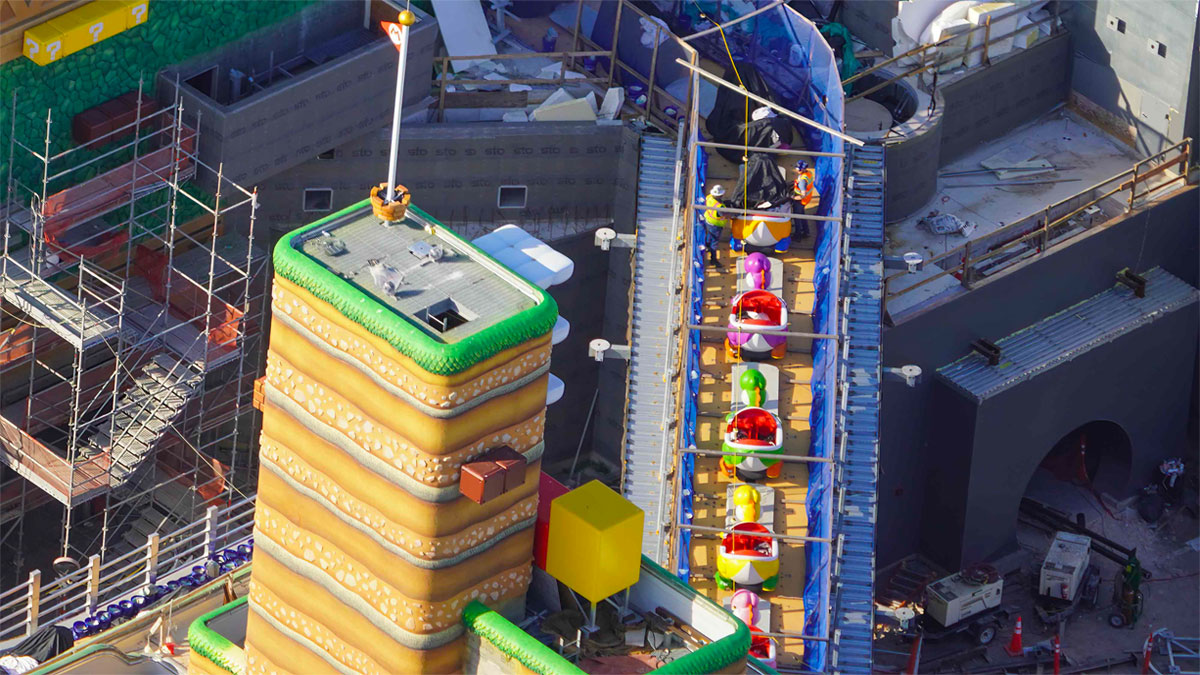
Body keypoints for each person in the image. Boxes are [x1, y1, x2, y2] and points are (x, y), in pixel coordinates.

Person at [703, 184, 730, 269]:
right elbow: (725, 215)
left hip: (708, 221)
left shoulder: (709, 197)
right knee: (714, 243)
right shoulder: (719, 207)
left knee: (709, 236)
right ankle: (713, 260)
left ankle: (707, 246)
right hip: (716, 225)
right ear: (721, 195)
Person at [792, 160, 818, 240]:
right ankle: (806, 232)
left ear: (803, 169)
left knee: (797, 218)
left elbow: (803, 195)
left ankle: (798, 235)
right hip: (806, 200)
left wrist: (793, 198)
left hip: (800, 201)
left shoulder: (803, 181)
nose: (797, 170)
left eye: (799, 169)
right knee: (802, 216)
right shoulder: (808, 173)